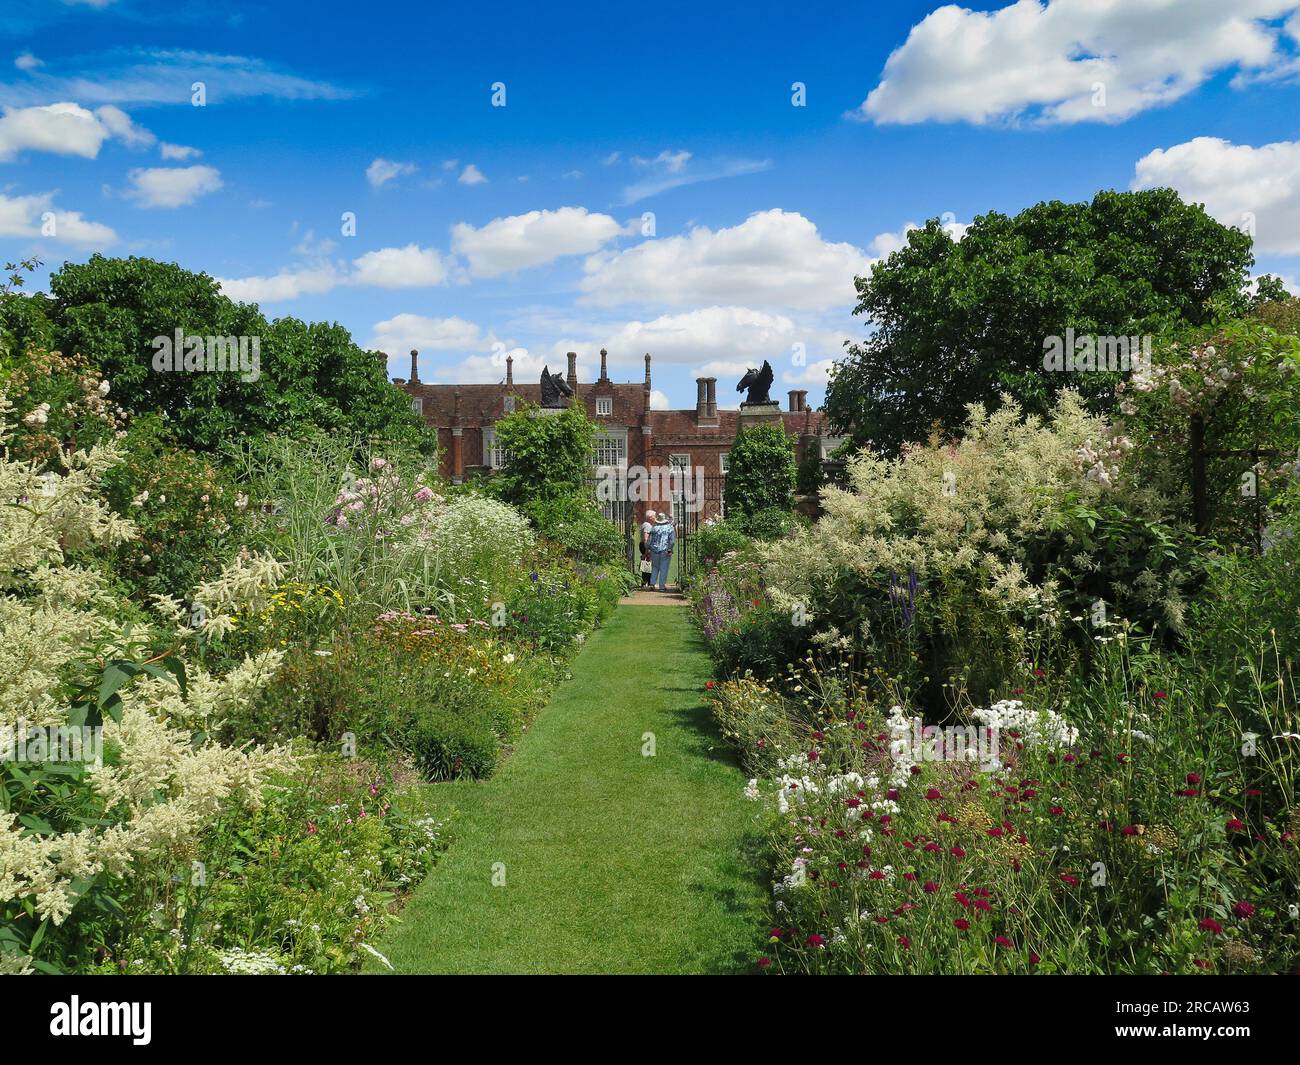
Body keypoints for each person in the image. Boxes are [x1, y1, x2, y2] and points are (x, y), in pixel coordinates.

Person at [647, 509, 676, 592]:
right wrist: (670, 549)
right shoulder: (669, 528)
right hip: (665, 550)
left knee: (655, 567)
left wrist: (649, 549)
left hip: (654, 550)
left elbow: (649, 540)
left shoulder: (654, 528)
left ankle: (652, 584)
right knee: (664, 568)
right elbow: (672, 541)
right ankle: (661, 586)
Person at [639, 509, 656, 587]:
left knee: (647, 564)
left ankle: (645, 582)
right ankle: (648, 583)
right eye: (654, 516)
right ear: (650, 517)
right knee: (648, 564)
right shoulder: (647, 525)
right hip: (646, 545)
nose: (655, 518)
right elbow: (646, 538)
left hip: (643, 545)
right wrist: (647, 550)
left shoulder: (644, 524)